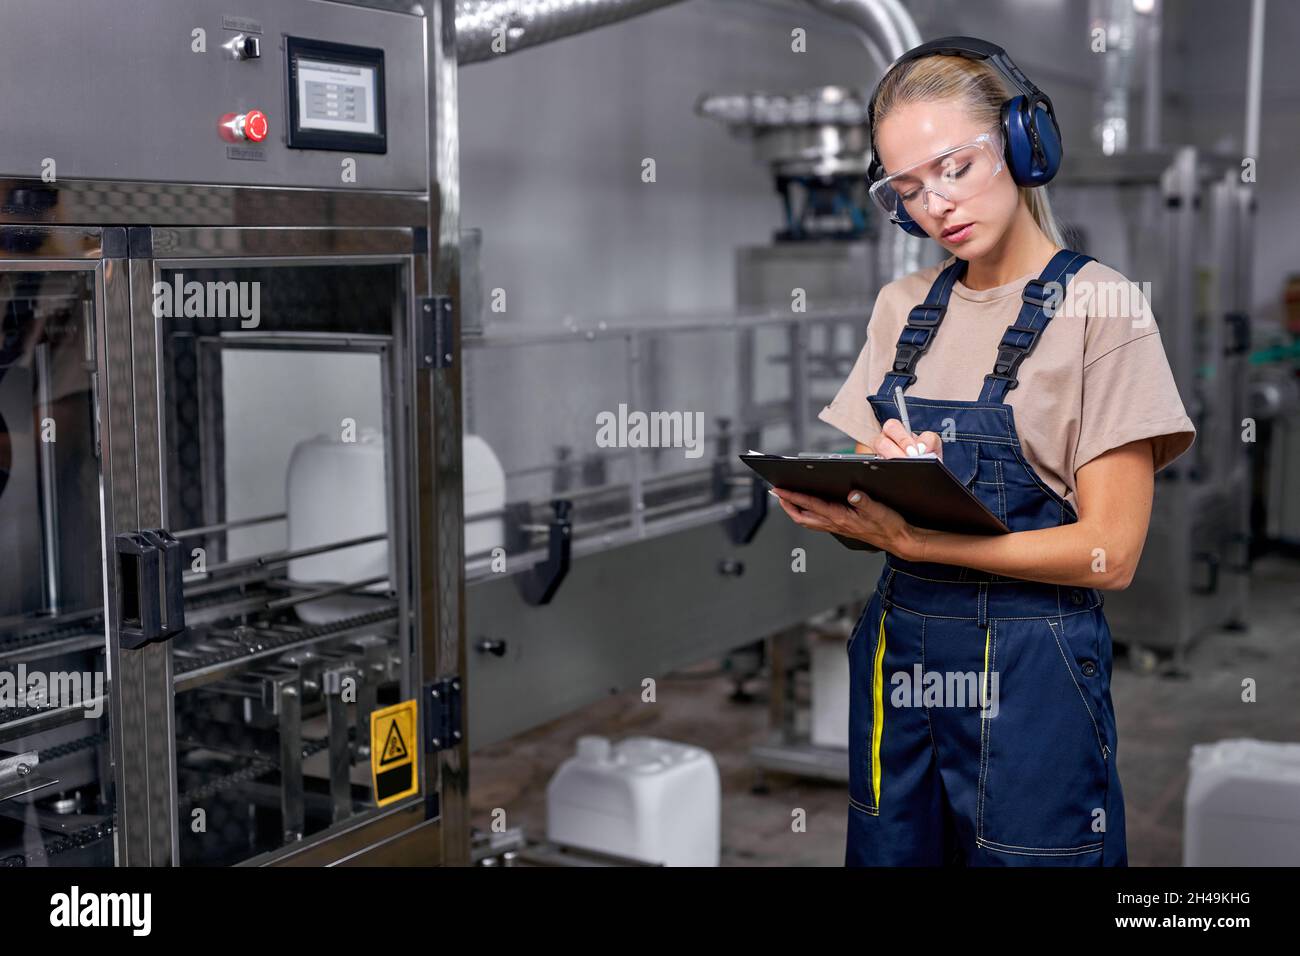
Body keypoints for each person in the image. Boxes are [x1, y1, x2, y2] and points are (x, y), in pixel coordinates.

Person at [769, 37, 1195, 866]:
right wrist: (854, 506)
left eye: (954, 168)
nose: (936, 205)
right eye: (909, 189)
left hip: (1033, 670)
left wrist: (927, 539)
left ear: (1025, 143)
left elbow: (1111, 553)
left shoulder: (1100, 306)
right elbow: (868, 508)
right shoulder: (904, 307)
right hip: (901, 649)